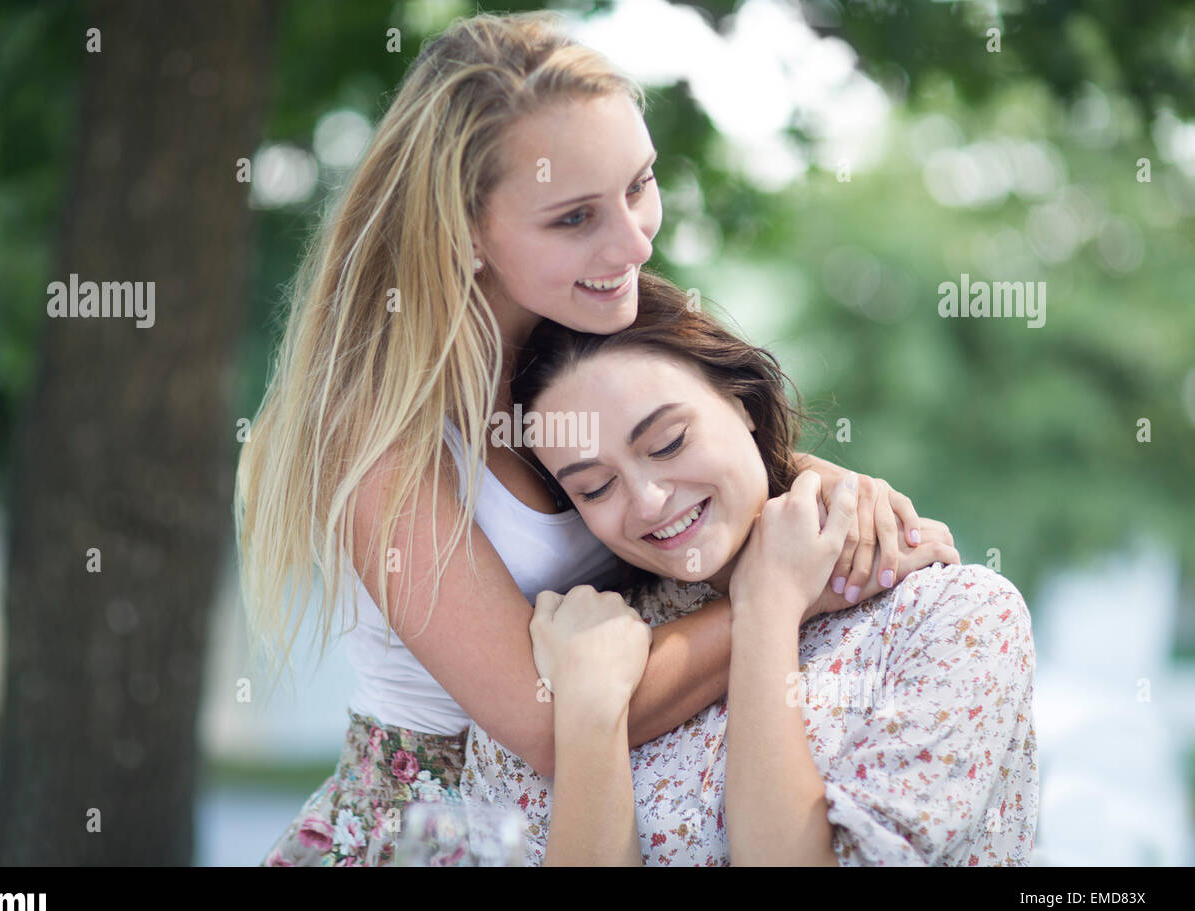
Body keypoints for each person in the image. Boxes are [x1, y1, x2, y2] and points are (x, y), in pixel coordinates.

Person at [241, 10, 945, 867]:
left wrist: (839, 503)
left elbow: (733, 467)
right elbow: (547, 717)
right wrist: (785, 596)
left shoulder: (593, 322)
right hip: (439, 833)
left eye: (640, 184)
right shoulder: (381, 435)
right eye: (575, 217)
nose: (634, 239)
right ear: (463, 231)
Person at [460, 281, 1039, 866]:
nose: (649, 501)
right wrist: (590, 712)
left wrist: (769, 603)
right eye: (596, 487)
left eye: (668, 443)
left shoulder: (951, 617)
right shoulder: (571, 654)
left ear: (742, 401)